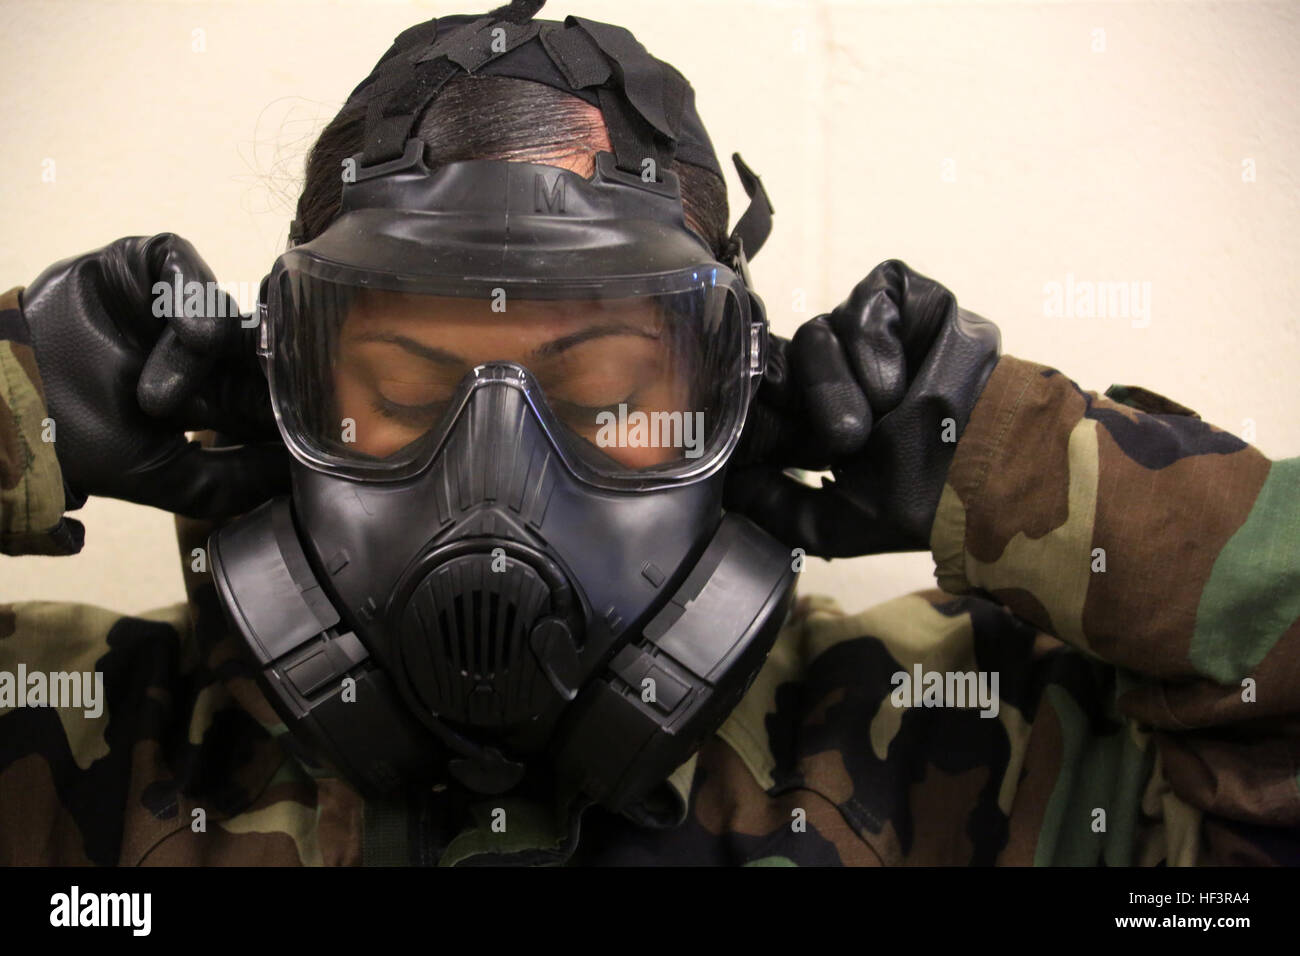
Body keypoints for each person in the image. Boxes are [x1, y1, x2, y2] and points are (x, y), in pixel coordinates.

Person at [1, 1, 1296, 867]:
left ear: (736, 396)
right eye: (403, 377)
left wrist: (1011, 469)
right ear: (275, 387)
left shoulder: (955, 747)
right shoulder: (81, 747)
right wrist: (20, 411)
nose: (492, 475)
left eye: (609, 380)